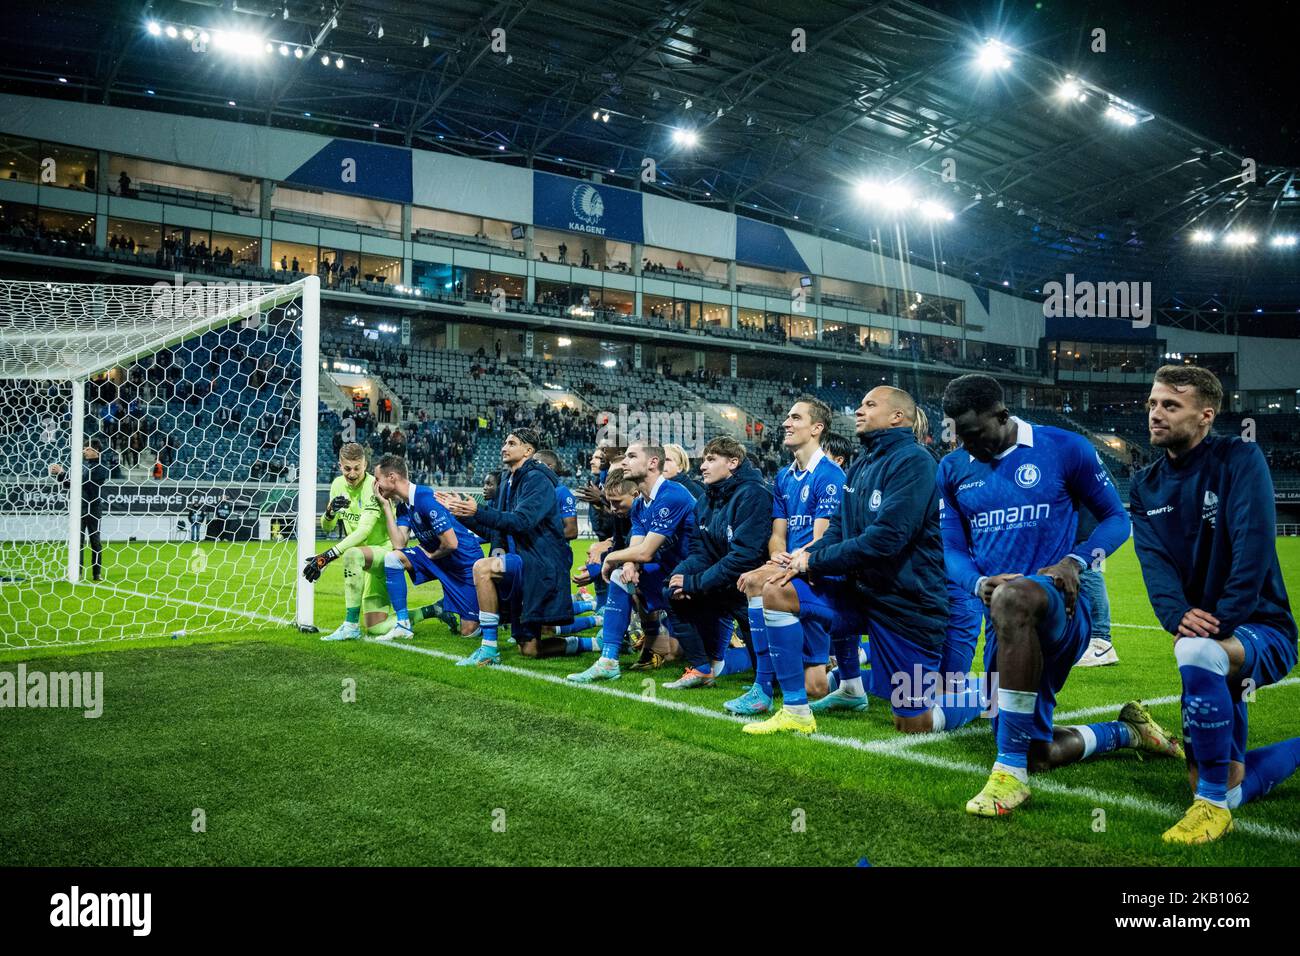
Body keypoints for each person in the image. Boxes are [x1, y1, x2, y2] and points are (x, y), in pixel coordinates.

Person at [937, 373, 1181, 818]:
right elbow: (952, 548)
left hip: (1062, 608)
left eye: (974, 432)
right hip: (1004, 620)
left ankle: (1009, 777)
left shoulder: (1065, 448)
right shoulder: (953, 469)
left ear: (1002, 416)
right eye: (958, 433)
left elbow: (1115, 519)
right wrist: (977, 584)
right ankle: (1125, 732)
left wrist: (1076, 560)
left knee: (1015, 597)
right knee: (1036, 750)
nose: (966, 443)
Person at [1130, 365, 1300, 844]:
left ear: (1205, 415)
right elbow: (1154, 561)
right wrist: (1174, 614)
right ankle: (1218, 796)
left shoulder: (1239, 458)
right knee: (1225, 782)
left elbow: (1254, 545)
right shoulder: (1145, 485)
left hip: (1260, 627)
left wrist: (1217, 622)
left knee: (1196, 653)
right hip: (1203, 634)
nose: (1155, 414)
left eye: (1170, 405)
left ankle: (1210, 812)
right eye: (1152, 403)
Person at [727, 396, 843, 717]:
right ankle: (762, 687)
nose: (785, 424)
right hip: (791, 570)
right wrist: (779, 558)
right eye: (787, 418)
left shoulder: (830, 476)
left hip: (819, 577)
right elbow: (778, 535)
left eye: (795, 418)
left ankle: (852, 675)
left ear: (817, 428)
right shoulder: (784, 477)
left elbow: (822, 542)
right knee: (753, 581)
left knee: (816, 688)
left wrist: (793, 562)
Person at [439, 428, 588, 664]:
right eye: (504, 443)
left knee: (482, 568)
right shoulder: (509, 481)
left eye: (511, 443)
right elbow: (495, 529)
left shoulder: (537, 480)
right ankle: (594, 643)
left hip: (538, 562)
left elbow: (522, 521)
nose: (503, 447)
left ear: (528, 450)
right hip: (521, 559)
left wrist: (479, 510)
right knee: (530, 649)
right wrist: (462, 514)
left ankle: (489, 648)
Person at [566, 443, 697, 683]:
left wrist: (612, 559)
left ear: (652, 463)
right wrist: (627, 566)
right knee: (621, 577)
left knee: (708, 659)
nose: (624, 461)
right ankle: (609, 660)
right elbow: (635, 550)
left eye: (631, 456)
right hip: (669, 575)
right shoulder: (640, 504)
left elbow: (645, 553)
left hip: (695, 579)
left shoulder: (672, 494)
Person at [667, 437, 771, 688]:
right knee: (672, 592)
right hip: (723, 580)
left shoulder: (754, 494)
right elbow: (699, 548)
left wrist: (695, 582)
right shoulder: (705, 499)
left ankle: (768, 678)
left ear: (733, 462)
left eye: (711, 460)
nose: (703, 466)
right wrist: (681, 575)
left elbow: (745, 556)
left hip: (752, 583)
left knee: (749, 618)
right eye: (703, 460)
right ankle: (702, 669)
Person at [371, 455, 484, 642]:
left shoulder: (425, 498)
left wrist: (432, 555)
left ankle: (482, 610)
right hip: (439, 558)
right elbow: (399, 544)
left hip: (463, 563)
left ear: (391, 477)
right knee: (393, 558)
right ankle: (403, 625)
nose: (375, 485)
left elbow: (451, 543)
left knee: (469, 631)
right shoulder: (404, 506)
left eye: (377, 479)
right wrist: (385, 506)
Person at [49, 439, 111, 582]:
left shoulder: (102, 467)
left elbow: (84, 481)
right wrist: (59, 474)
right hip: (79, 508)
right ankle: (78, 573)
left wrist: (63, 472)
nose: (84, 451)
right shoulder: (83, 466)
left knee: (95, 542)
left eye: (87, 449)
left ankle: (97, 574)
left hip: (93, 509)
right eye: (83, 449)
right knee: (78, 542)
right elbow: (70, 484)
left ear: (96, 451)